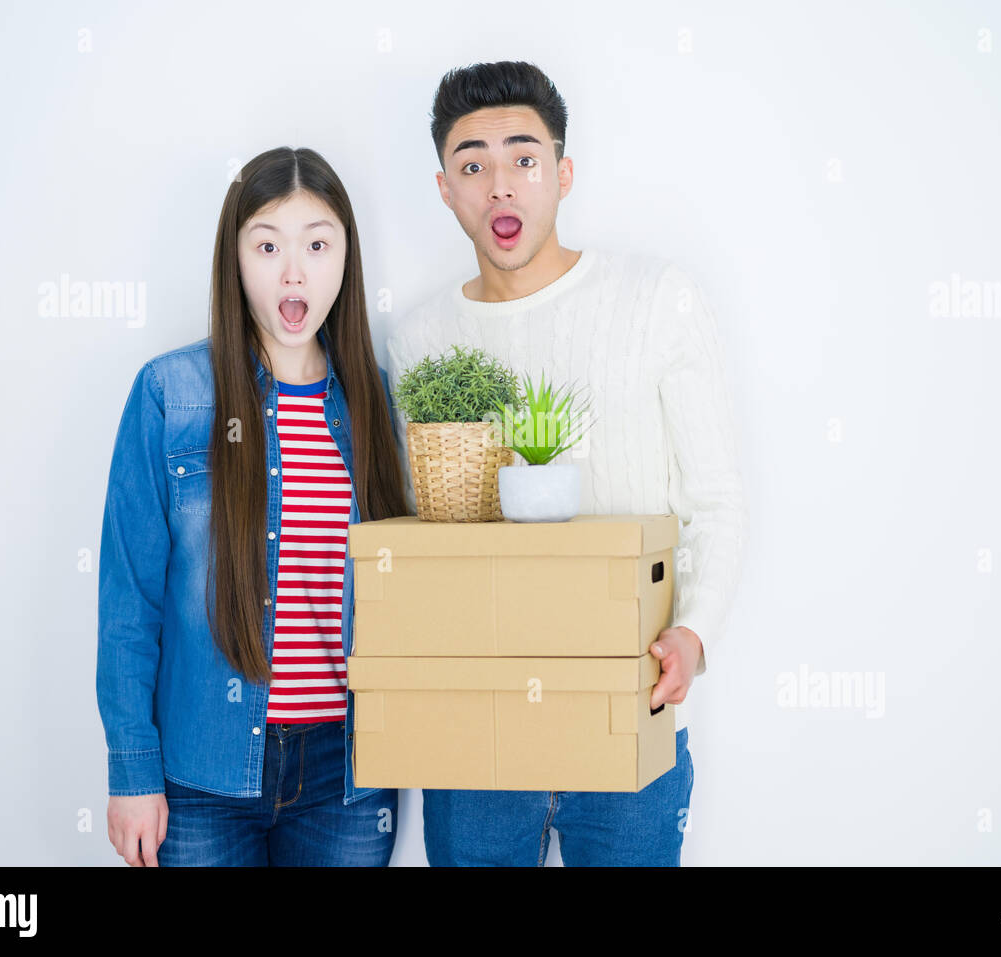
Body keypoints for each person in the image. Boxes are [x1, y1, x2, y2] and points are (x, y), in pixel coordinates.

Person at [386, 61, 748, 866]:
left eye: (524, 158)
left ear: (564, 172)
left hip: (630, 725)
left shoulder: (657, 299)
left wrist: (692, 634)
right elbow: (421, 540)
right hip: (476, 746)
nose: (500, 187)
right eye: (472, 164)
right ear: (445, 189)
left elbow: (717, 501)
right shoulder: (418, 342)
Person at [97, 146, 408, 866]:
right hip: (203, 770)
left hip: (347, 775)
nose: (293, 271)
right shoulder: (170, 395)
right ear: (234, 259)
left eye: (317, 244)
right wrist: (132, 771)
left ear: (344, 258)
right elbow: (129, 601)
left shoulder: (377, 404)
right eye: (267, 245)